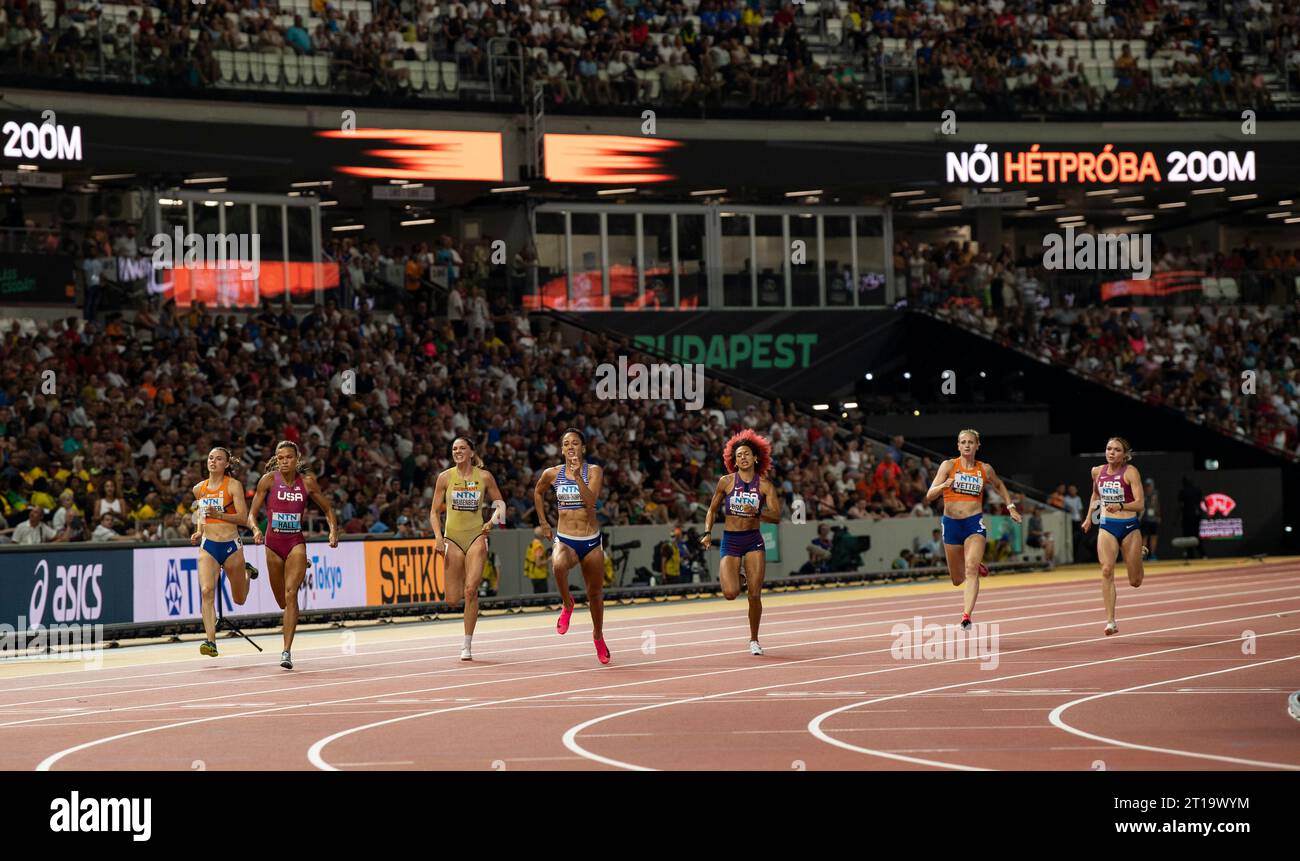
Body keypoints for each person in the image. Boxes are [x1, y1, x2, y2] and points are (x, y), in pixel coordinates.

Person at [248, 440, 339, 669]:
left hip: (295, 542)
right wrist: (256, 529)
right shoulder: (268, 481)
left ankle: (286, 651)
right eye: (280, 458)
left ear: (297, 459)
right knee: (281, 601)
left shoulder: (307, 483)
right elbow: (251, 514)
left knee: (291, 596)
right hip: (272, 544)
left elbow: (327, 509)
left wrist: (333, 531)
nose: (284, 461)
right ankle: (296, 567)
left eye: (288, 457)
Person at [924, 429, 1021, 629]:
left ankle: (966, 616)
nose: (967, 445)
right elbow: (929, 495)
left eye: (970, 442)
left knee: (970, 570)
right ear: (958, 446)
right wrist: (943, 486)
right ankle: (976, 564)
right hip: (951, 524)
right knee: (957, 579)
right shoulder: (949, 465)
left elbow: (999, 485)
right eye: (963, 442)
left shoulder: (984, 469)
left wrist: (1010, 507)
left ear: (977, 445)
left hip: (973, 523)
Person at [533, 428, 611, 664]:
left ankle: (598, 635)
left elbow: (591, 502)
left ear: (583, 448)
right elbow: (538, 492)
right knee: (557, 565)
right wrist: (544, 522)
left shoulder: (594, 471)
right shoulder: (552, 473)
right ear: (562, 449)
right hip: (566, 538)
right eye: (566, 444)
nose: (570, 447)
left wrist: (577, 477)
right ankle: (567, 603)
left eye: (575, 443)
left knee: (595, 594)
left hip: (590, 539)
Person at [700, 429, 781, 655]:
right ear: (732, 461)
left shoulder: (765, 486)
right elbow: (712, 510)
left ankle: (754, 639)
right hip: (731, 540)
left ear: (756, 458)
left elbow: (776, 517)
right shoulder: (725, 482)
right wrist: (707, 532)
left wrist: (757, 512)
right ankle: (740, 576)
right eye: (738, 455)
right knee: (730, 593)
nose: (742, 458)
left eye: (746, 454)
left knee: (754, 595)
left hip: (753, 540)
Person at [429, 436, 505, 661]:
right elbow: (434, 511)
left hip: (476, 537)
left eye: (462, 448)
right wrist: (437, 537)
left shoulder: (484, 476)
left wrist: (491, 522)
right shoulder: (445, 477)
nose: (458, 451)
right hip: (452, 539)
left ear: (471, 452)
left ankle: (467, 644)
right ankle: (460, 577)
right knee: (452, 599)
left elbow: (500, 504)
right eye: (454, 448)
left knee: (471, 591)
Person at [190, 447, 256, 659]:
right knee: (207, 591)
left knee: (239, 599)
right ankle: (211, 641)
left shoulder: (234, 486)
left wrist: (219, 513)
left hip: (230, 547)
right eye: (210, 458)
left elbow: (243, 517)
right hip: (208, 545)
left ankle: (247, 574)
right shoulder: (198, 488)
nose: (213, 462)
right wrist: (199, 531)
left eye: (219, 459)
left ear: (227, 464)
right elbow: (201, 513)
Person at [1080, 437, 1145, 635]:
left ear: (1124, 455)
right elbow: (1095, 495)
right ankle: (1110, 621)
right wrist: (1089, 517)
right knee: (1107, 570)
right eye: (1109, 448)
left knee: (1135, 581)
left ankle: (1138, 554)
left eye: (1117, 450)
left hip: (1129, 526)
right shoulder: (1097, 471)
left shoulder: (1131, 472)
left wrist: (1121, 505)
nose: (1111, 452)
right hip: (1107, 525)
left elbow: (1140, 504)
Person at [1024, 504, 1055, 568]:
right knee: (1048, 544)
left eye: (1041, 510)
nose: (1040, 512)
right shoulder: (1032, 519)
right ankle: (1047, 562)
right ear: (1035, 510)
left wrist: (1045, 534)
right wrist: (1043, 534)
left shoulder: (1040, 519)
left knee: (1051, 543)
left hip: (1039, 538)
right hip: (1032, 539)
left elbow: (1040, 532)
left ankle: (1050, 561)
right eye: (1038, 510)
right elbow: (1031, 532)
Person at [523, 525, 550, 593]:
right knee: (542, 598)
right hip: (539, 576)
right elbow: (538, 563)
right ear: (541, 534)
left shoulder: (533, 544)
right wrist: (550, 559)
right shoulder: (538, 546)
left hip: (534, 575)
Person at [1140, 477, 1161, 560]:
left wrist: (1159, 516)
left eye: (1150, 486)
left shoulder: (1155, 494)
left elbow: (1157, 506)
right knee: (1144, 537)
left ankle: (1152, 554)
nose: (1148, 487)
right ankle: (1143, 555)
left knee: (1153, 537)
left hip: (1153, 519)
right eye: (1147, 486)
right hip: (1145, 519)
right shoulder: (1142, 494)